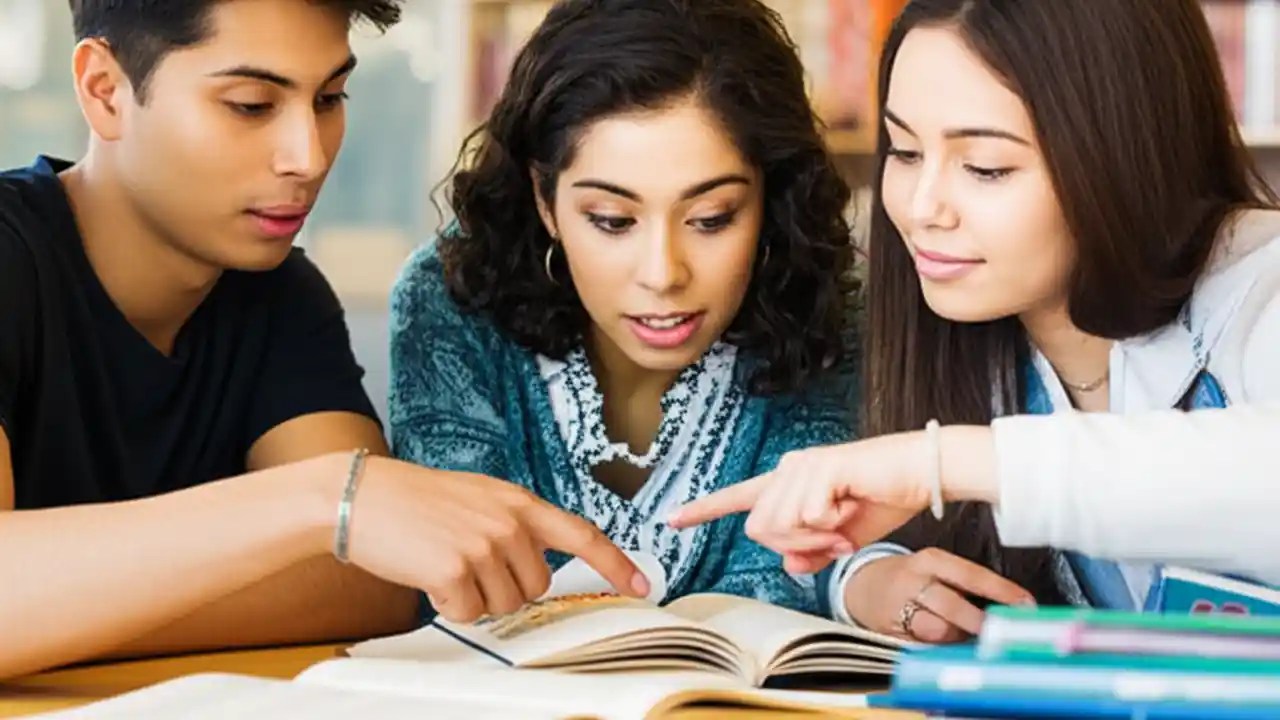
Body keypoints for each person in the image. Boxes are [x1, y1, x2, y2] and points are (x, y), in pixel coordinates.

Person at [0, 0, 646, 680]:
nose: (307, 157)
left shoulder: (277, 292)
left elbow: (373, 585)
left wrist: (54, 616)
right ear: (106, 90)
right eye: (251, 105)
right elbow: (350, 521)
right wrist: (326, 499)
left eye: (331, 97)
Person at [669, 0, 1280, 643]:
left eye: (986, 167)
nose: (921, 207)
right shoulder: (969, 337)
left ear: (1124, 154)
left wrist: (940, 463)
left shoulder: (1259, 279)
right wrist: (868, 578)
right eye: (904, 152)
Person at [388, 0, 895, 615]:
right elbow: (459, 570)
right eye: (611, 220)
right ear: (544, 202)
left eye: (712, 219)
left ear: (770, 201)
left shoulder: (832, 312)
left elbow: (794, 572)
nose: (662, 274)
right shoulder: (450, 299)